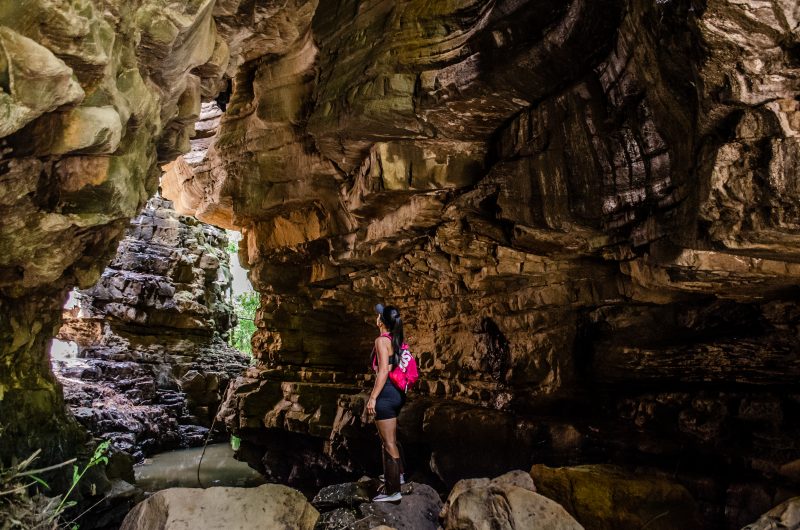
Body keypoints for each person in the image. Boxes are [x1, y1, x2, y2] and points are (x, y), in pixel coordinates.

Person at [366, 303, 406, 502]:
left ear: (381, 322)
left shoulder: (381, 340)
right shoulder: (396, 338)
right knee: (392, 439)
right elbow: (392, 365)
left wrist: (373, 397)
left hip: (386, 394)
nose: (377, 317)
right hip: (398, 394)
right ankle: (398, 475)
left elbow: (383, 371)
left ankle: (393, 491)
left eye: (379, 315)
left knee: (388, 442)